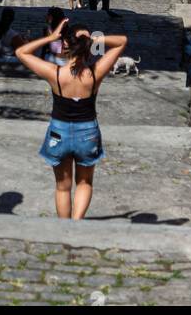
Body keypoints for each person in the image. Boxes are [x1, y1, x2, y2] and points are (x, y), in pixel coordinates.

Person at [15, 21, 128, 220]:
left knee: (62, 188)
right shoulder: (95, 72)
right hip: (88, 133)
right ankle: (77, 224)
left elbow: (21, 52)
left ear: (65, 44)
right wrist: (95, 39)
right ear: (87, 45)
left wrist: (51, 38)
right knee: (84, 183)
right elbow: (121, 42)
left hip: (59, 132)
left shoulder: (55, 73)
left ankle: (64, 229)